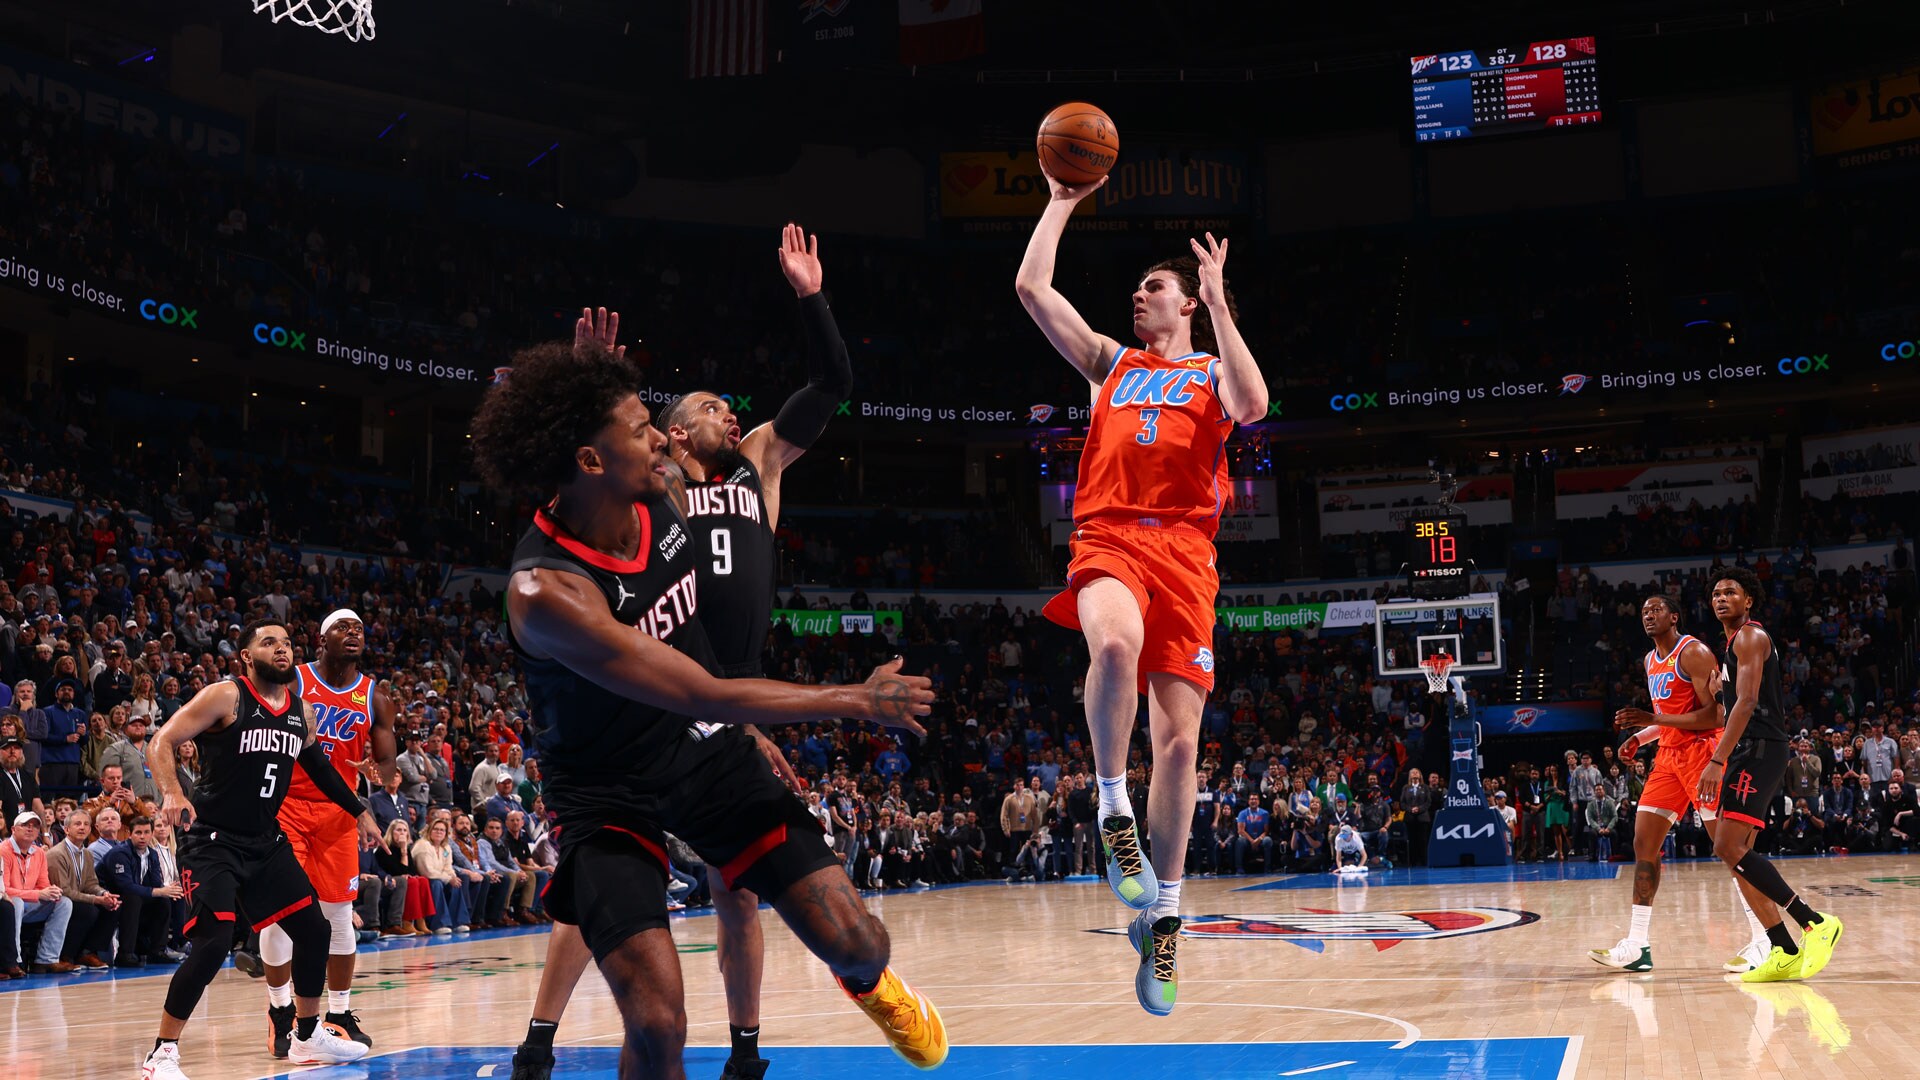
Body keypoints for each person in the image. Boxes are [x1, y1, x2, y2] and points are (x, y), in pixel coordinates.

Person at [468, 338, 945, 1079]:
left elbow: (716, 647)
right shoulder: (547, 592)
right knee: (658, 1022)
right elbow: (698, 687)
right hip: (606, 790)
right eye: (638, 427)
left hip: (706, 754)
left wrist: (588, 384)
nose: (661, 436)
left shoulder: (661, 487)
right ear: (590, 462)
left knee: (860, 942)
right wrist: (853, 697)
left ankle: (865, 983)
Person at [1016, 161, 1266, 1016]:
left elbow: (1255, 400)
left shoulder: (1207, 377)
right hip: (1111, 535)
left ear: (1185, 304)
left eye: (1152, 286)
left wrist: (1222, 302)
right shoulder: (1109, 367)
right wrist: (1058, 203)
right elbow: (1031, 287)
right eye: (1135, 286)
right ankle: (1111, 805)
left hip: (1187, 557)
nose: (1138, 295)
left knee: (1183, 745)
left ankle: (1164, 916)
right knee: (1113, 645)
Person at [137, 621, 385, 1080]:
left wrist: (360, 811)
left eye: (287, 642)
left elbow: (323, 770)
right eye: (268, 642)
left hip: (264, 840)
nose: (282, 649)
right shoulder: (226, 695)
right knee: (213, 944)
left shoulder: (299, 712)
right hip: (212, 838)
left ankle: (307, 1036)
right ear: (247, 657)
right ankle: (162, 1053)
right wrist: (172, 792)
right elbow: (161, 741)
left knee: (314, 930)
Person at [1592, 595, 1772, 974]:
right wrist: (1642, 737)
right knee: (1644, 843)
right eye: (1643, 611)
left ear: (1674, 616)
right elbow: (1673, 717)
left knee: (1730, 850)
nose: (1648, 615)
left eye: (1656, 610)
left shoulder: (1694, 653)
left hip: (1702, 756)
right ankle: (1638, 944)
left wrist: (1649, 717)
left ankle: (1763, 939)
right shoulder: (1648, 660)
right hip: (1668, 759)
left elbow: (1714, 716)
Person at [259, 609, 397, 1054]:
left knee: (339, 915)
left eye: (359, 629)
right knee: (286, 910)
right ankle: (281, 1011)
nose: (353, 634)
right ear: (322, 638)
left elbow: (388, 762)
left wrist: (380, 773)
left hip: (340, 812)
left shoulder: (376, 696)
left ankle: (337, 1013)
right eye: (343, 627)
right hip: (288, 804)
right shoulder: (294, 679)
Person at [1700, 569, 1843, 983]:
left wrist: (1716, 761)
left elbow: (1746, 705)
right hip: (1754, 749)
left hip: (1758, 749)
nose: (1721, 598)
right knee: (1737, 857)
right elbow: (1738, 703)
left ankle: (1814, 921)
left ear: (1749, 601)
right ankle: (1782, 948)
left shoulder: (1749, 637)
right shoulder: (1733, 645)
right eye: (1715, 593)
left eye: (1730, 592)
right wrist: (1716, 695)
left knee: (1728, 846)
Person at [3, 810, 76, 973]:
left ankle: (47, 959)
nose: (30, 829)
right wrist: (38, 894)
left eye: (35, 826)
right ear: (14, 829)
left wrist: (51, 891)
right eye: (25, 825)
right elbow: (4, 889)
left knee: (64, 903)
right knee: (15, 902)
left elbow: (43, 884)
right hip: (9, 904)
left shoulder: (39, 853)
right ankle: (14, 960)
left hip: (29, 904)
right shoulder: (3, 850)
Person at [47, 808, 117, 966]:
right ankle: (66, 955)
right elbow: (64, 890)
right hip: (60, 900)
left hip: (78, 899)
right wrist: (96, 899)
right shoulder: (56, 854)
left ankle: (87, 952)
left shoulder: (87, 854)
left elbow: (91, 883)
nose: (82, 827)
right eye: (77, 824)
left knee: (113, 906)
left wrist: (104, 894)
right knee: (87, 909)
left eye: (86, 824)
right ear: (66, 829)